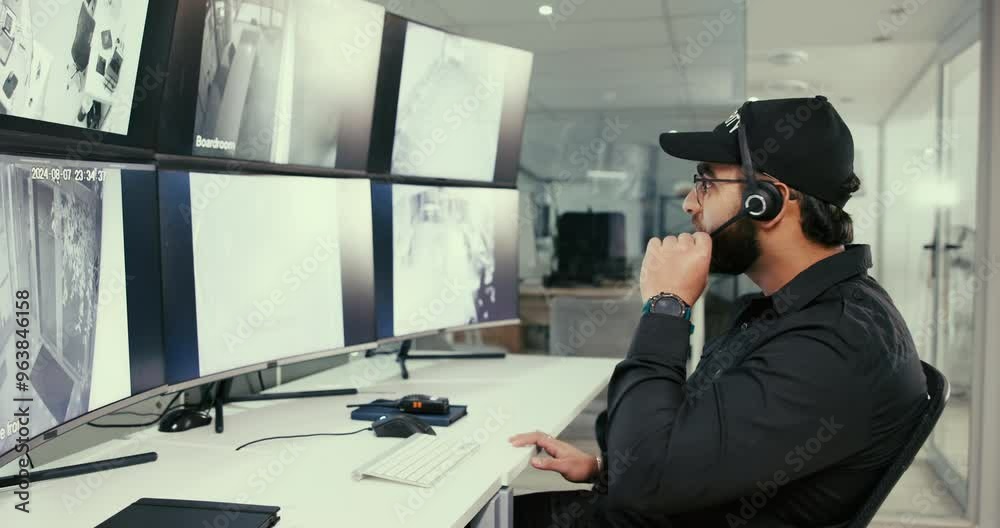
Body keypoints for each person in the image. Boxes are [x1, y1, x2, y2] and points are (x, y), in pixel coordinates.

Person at [509, 96, 929, 527]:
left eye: (706, 183)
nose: (690, 203)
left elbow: (648, 481)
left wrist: (666, 307)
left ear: (767, 200)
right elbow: (697, 441)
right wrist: (606, 467)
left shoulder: (833, 342)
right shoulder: (794, 311)